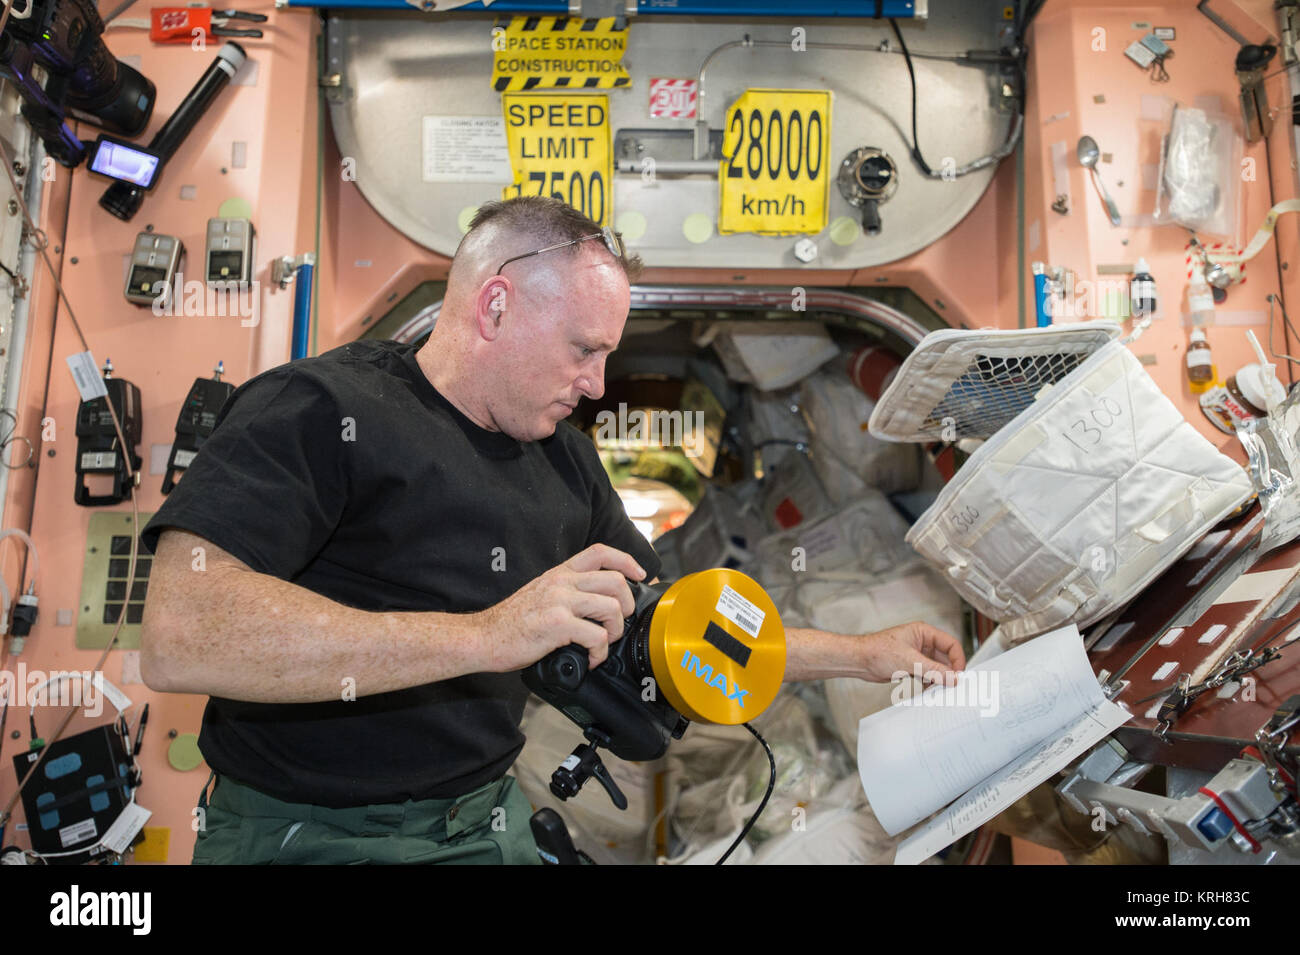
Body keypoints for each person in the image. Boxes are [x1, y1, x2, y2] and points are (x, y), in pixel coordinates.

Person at [139, 195, 965, 865]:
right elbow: (184, 633)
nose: (598, 383)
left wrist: (864, 654)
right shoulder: (322, 410)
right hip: (310, 834)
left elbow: (679, 626)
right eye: (584, 349)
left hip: (482, 822)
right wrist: (489, 635)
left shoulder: (565, 463)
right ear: (496, 305)